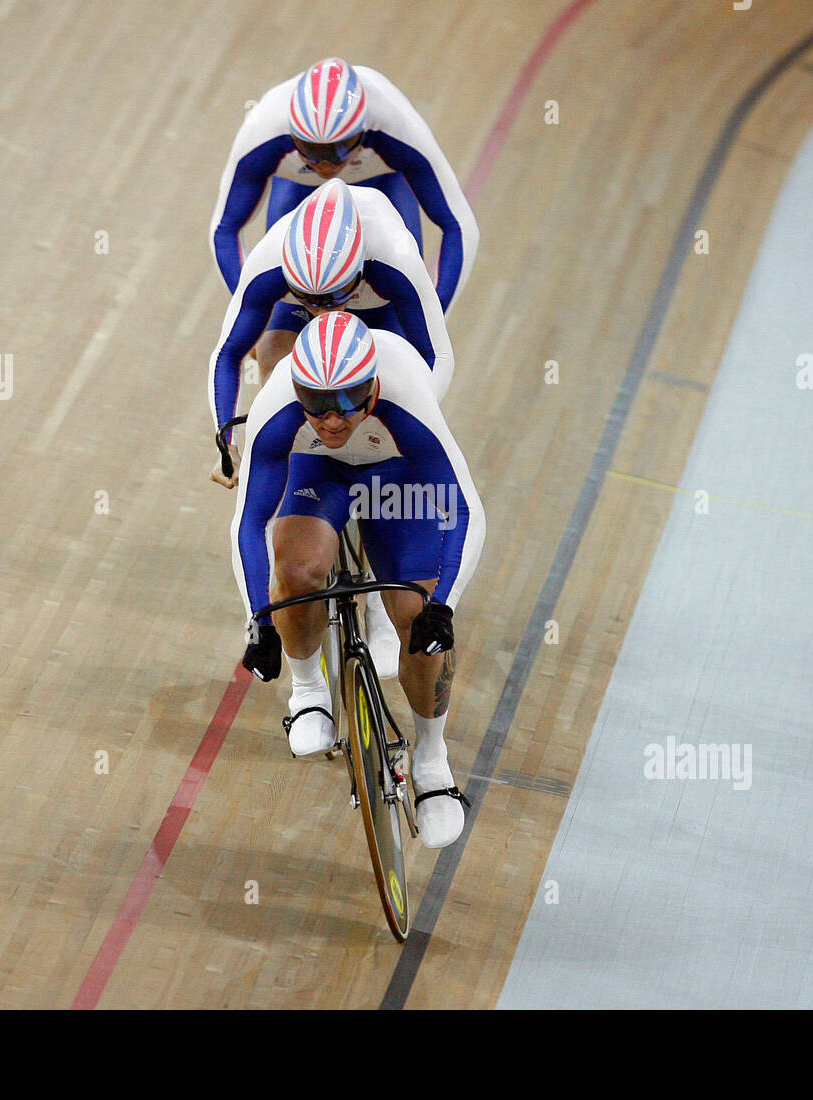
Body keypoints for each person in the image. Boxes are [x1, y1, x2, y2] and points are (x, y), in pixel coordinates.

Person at [231, 311, 484, 848]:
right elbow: (248, 523)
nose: (331, 419)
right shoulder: (278, 410)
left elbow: (465, 510)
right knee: (296, 572)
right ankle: (308, 692)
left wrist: (446, 605)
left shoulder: (405, 400)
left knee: (417, 619)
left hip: (398, 476)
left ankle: (433, 763)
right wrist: (258, 619)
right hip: (319, 475)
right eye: (316, 402)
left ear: (371, 386)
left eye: (347, 401)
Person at [207, 177, 454, 484]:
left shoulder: (394, 259)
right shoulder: (269, 260)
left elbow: (437, 353)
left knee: (393, 390)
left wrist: (416, 417)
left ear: (360, 271)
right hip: (301, 303)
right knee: (275, 363)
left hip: (380, 307)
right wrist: (227, 444)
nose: (323, 314)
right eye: (312, 300)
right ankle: (301, 477)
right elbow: (229, 353)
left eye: (335, 297)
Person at [209, 58, 478, 314]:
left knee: (402, 313)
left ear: (363, 129)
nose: (326, 166)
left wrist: (435, 315)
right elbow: (225, 229)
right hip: (303, 194)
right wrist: (253, 312)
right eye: (311, 150)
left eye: (340, 150)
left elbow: (458, 225)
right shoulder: (262, 130)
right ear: (292, 135)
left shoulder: (396, 124)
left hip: (381, 188)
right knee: (276, 337)